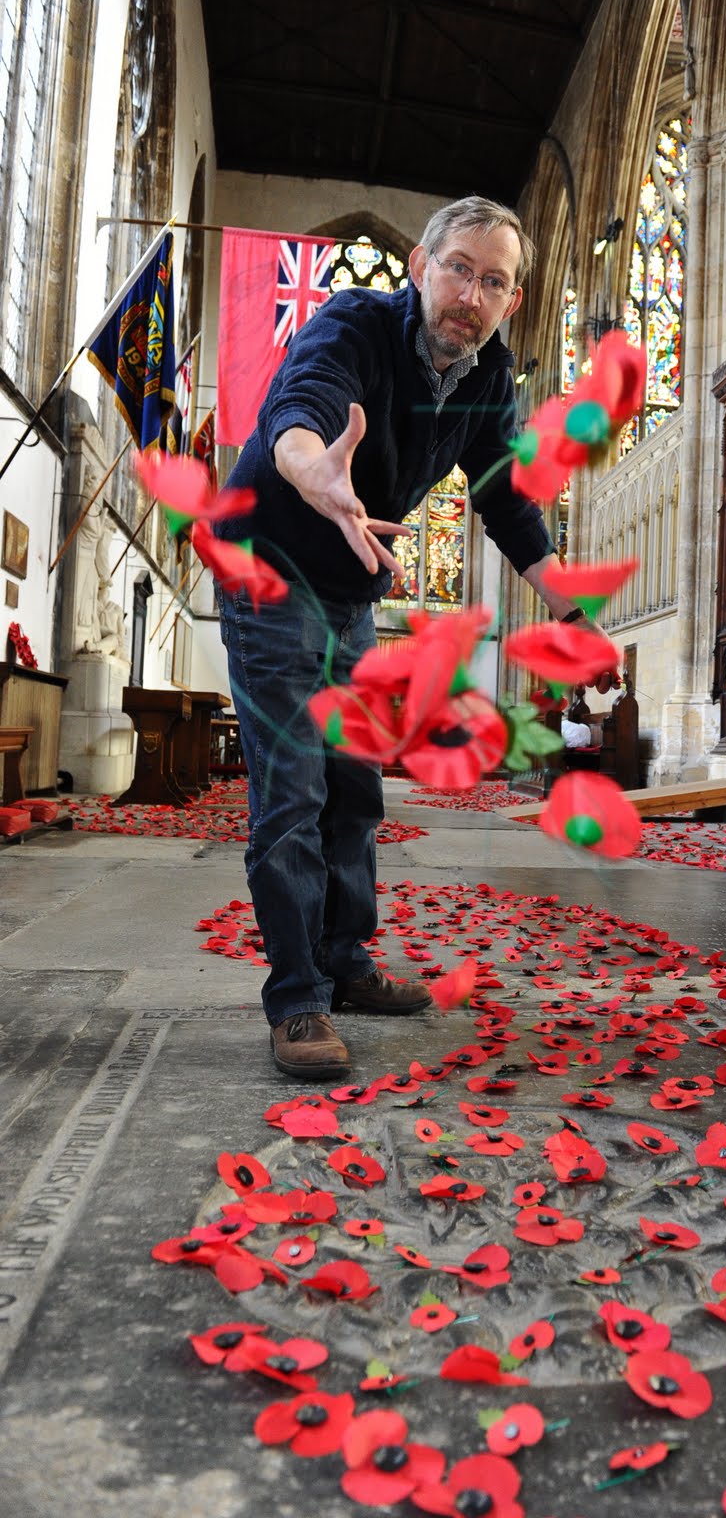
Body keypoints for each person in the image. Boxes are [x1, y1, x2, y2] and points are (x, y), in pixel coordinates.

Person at [215, 197, 588, 1079]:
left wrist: (571, 611)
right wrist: (316, 472)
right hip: (269, 567)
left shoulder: (491, 375)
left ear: (512, 302)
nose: (470, 292)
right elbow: (300, 412)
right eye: (457, 267)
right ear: (420, 267)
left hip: (349, 588)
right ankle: (298, 998)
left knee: (354, 786)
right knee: (292, 791)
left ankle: (344, 963)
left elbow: (503, 499)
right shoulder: (353, 321)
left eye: (492, 281)